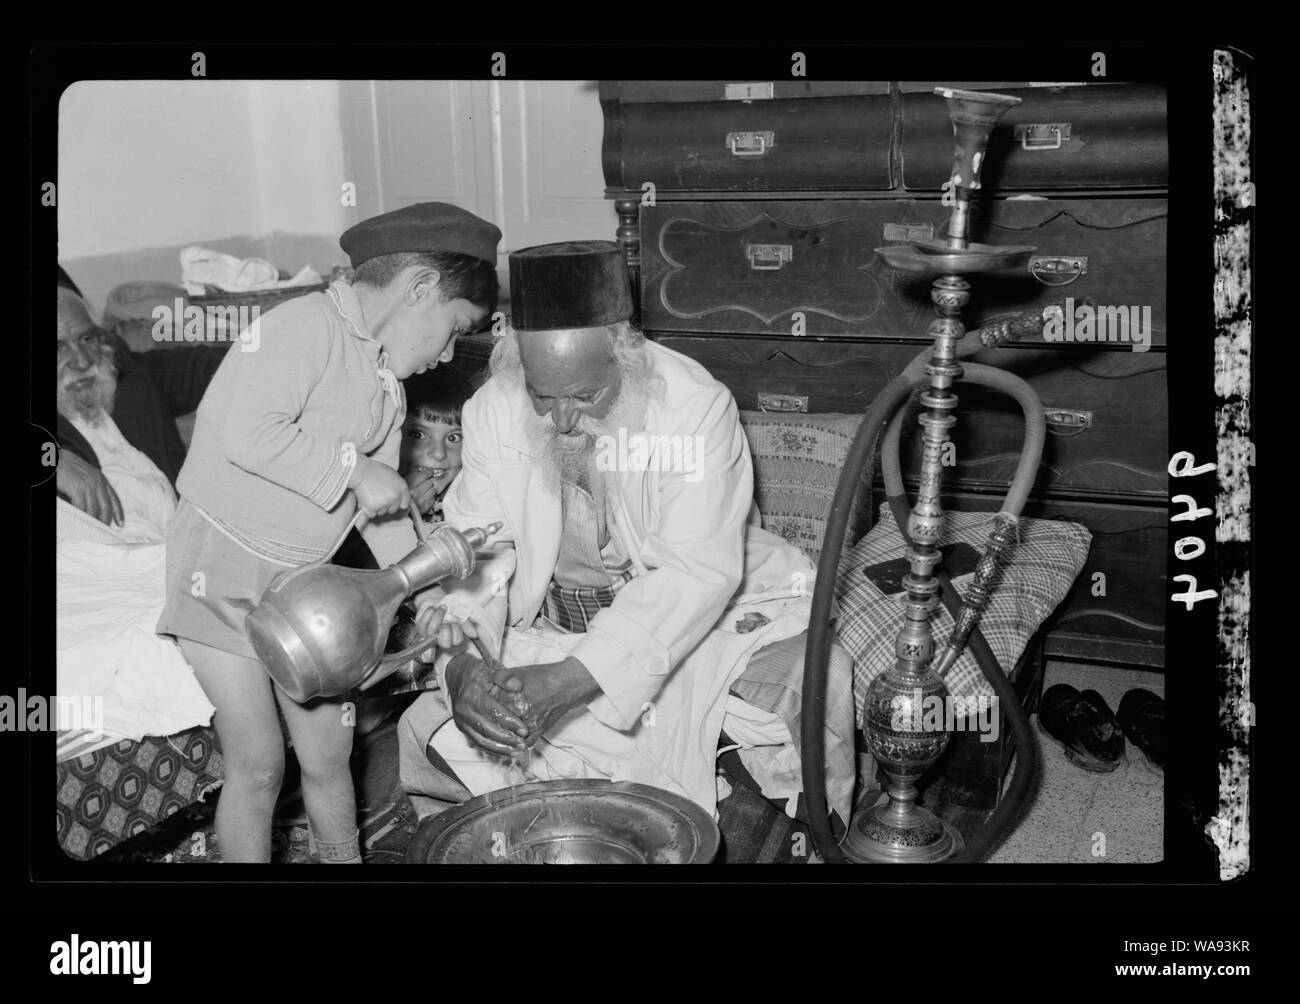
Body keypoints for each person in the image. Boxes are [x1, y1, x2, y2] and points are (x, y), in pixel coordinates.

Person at [398, 241, 855, 830]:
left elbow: (690, 574)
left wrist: (571, 682)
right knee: (437, 721)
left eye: (585, 396)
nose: (561, 421)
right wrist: (462, 669)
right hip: (547, 626)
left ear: (627, 361)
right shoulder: (493, 407)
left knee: (814, 678)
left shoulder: (694, 408)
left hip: (694, 619)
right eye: (543, 396)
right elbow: (476, 549)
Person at [156, 202, 501, 863]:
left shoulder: (388, 386)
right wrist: (353, 470)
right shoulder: (300, 327)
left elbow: (389, 511)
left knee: (328, 752)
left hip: (308, 589)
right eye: (456, 329)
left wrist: (429, 594)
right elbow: (248, 434)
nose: (451, 352)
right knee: (258, 763)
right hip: (218, 570)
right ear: (419, 288)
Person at [55, 273, 226, 528]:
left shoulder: (126, 375)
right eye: (58, 348)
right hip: (103, 556)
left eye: (86, 339)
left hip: (182, 537)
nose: (82, 361)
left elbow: (210, 365)